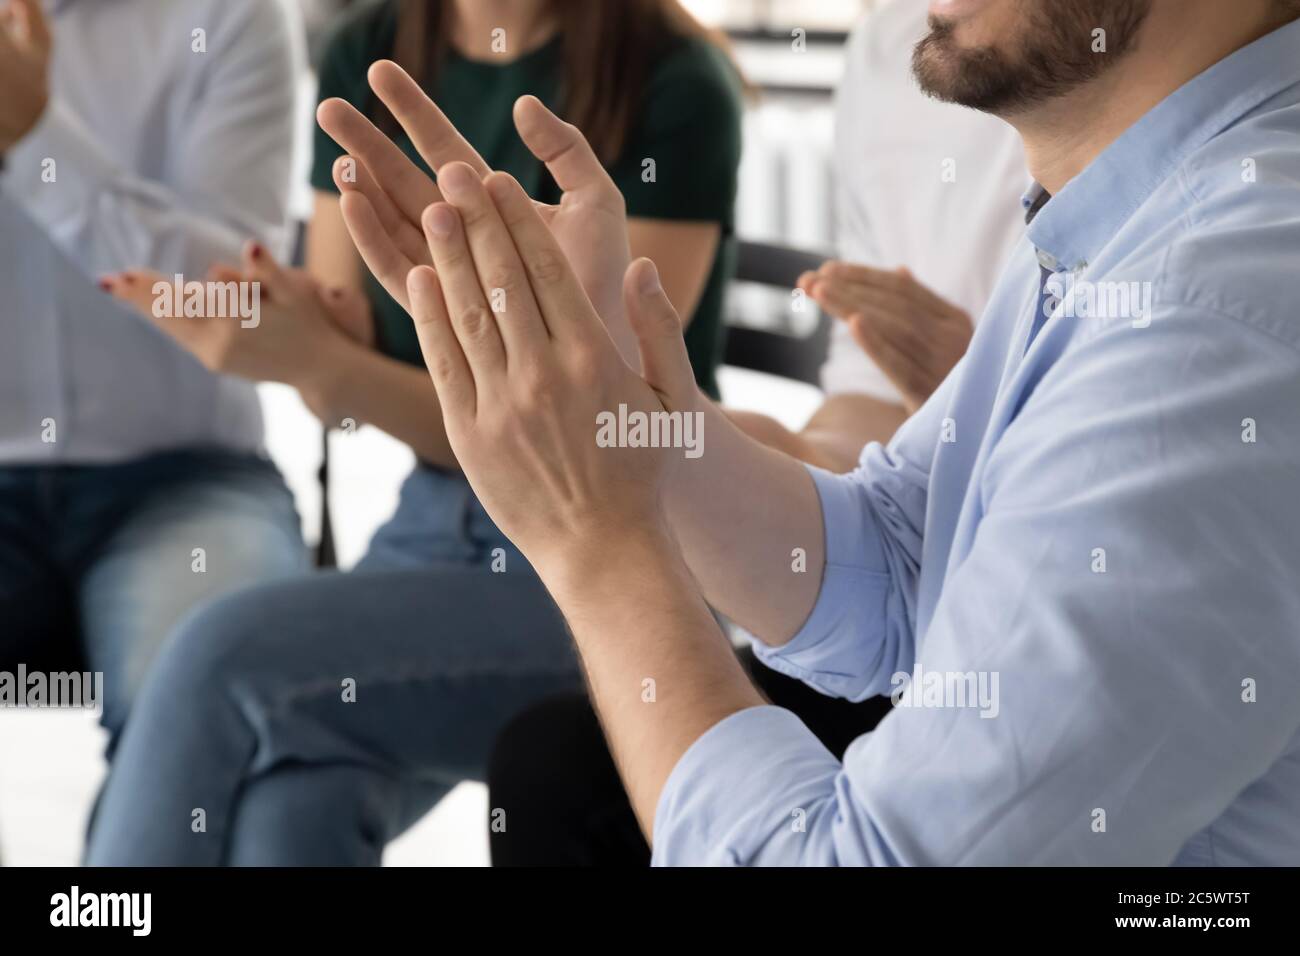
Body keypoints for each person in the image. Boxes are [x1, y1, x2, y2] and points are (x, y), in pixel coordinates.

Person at [332, 0, 1300, 865]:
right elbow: (898, 558)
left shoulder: (1204, 315)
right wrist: (615, 403)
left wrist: (597, 540)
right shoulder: (1130, 209)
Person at [85, 0, 743, 866]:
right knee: (291, 810)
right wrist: (296, 340)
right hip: (432, 527)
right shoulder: (369, 51)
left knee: (217, 653)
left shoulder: (675, 82)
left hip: (606, 550)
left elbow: (565, 436)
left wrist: (320, 366)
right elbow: (345, 358)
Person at [485, 0, 1031, 865]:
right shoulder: (909, 40)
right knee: (549, 763)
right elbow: (882, 496)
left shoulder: (1175, 225)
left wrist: (599, 539)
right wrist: (633, 416)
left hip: (998, 610)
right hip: (932, 568)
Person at [0, 0, 304, 754]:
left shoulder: (231, 15)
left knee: (208, 701)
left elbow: (237, 301)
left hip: (186, 479)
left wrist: (39, 141)